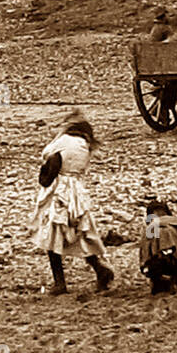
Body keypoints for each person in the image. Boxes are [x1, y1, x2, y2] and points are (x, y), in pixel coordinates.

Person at [31, 110, 114, 295]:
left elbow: (49, 172)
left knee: (52, 236)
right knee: (81, 233)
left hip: (61, 192)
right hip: (77, 191)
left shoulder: (62, 143)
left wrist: (43, 175)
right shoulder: (84, 145)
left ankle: (60, 283)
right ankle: (100, 269)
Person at [138, 200, 177, 295]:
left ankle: (158, 282)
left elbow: (144, 253)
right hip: (174, 262)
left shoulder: (149, 229)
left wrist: (145, 266)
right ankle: (172, 281)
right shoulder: (175, 222)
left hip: (154, 265)